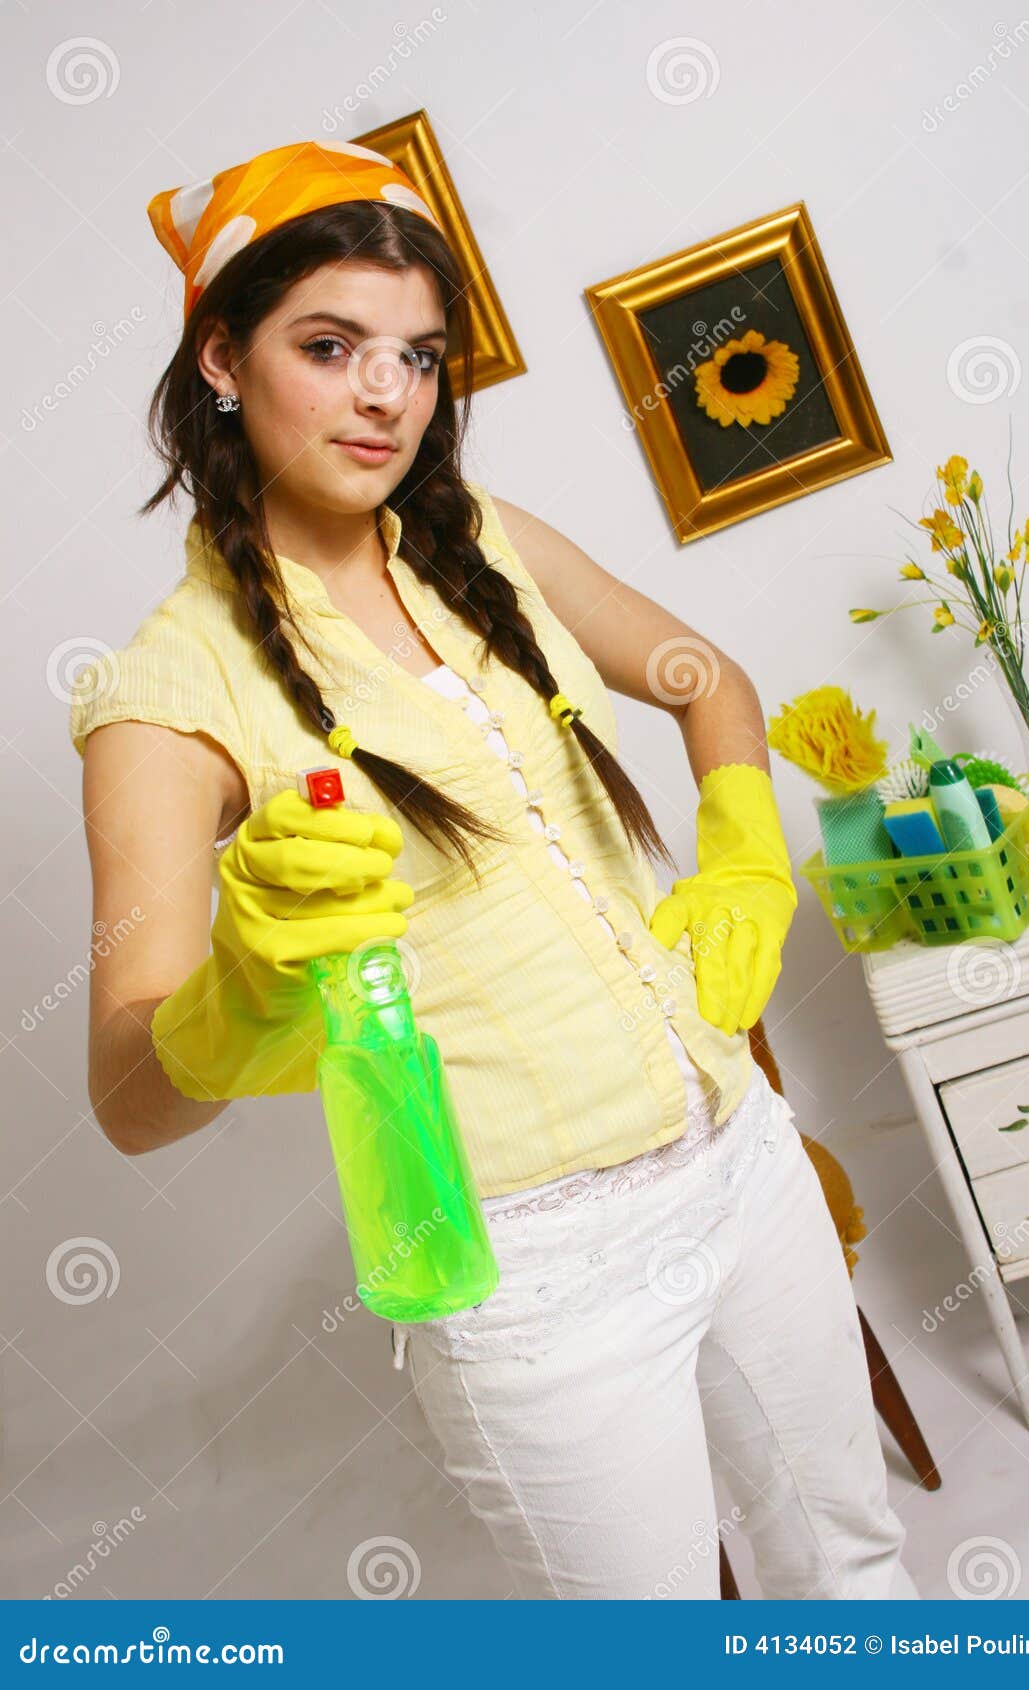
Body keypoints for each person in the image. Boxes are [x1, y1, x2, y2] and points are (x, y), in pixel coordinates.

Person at [70, 139, 920, 1601]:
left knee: (853, 1564)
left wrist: (741, 865)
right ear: (222, 354)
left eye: (418, 354)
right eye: (329, 345)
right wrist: (254, 976)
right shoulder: (164, 694)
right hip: (533, 1278)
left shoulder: (487, 544)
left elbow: (703, 676)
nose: (388, 393)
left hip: (742, 1164)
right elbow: (131, 1098)